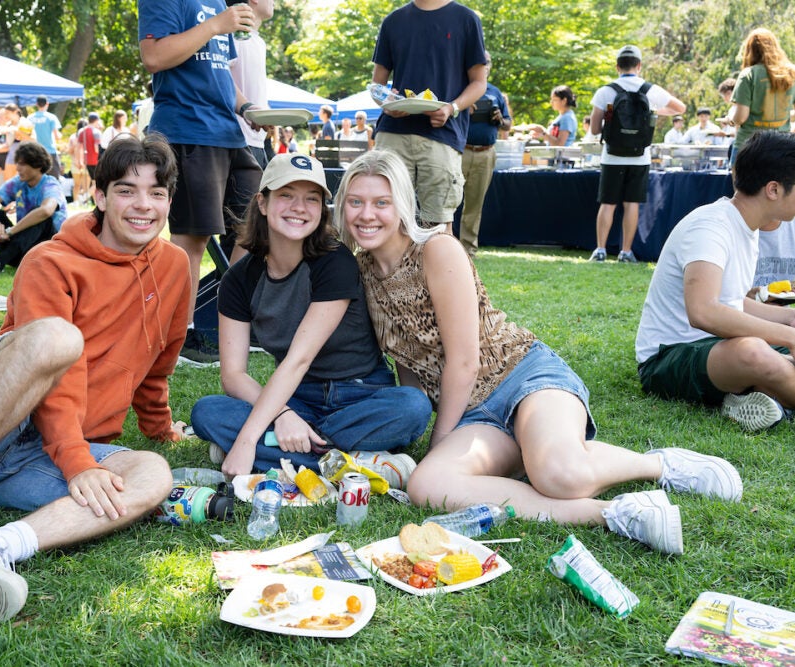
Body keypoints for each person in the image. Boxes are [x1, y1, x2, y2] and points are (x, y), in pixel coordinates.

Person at [336, 149, 743, 556]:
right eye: (356, 202)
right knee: (428, 486)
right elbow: (410, 363)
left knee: (560, 474)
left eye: (380, 202)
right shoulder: (363, 272)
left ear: (402, 205)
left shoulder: (436, 250)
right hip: (474, 416)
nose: (366, 214)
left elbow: (465, 361)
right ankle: (615, 513)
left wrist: (438, 444)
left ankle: (661, 465)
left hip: (522, 377)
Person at [0, 135, 190, 624]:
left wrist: (159, 429)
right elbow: (59, 372)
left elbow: (160, 358)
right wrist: (78, 463)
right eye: (126, 190)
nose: (143, 205)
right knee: (57, 338)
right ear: (98, 195)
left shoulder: (176, 266)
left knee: (154, 475)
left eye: (157, 193)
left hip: (18, 462)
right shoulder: (50, 261)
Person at [191, 153, 431, 477]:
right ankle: (356, 462)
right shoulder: (239, 279)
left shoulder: (335, 262)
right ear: (263, 202)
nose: (299, 208)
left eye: (311, 199)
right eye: (286, 195)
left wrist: (248, 438)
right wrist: (283, 413)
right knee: (208, 412)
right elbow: (233, 375)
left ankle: (280, 451)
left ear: (322, 209)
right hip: (296, 395)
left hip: (361, 394)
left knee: (412, 407)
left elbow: (299, 358)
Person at [636, 131, 795, 431]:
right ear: (773, 189)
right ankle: (770, 390)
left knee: (762, 347)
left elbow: (733, 302)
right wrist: (787, 337)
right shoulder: (710, 227)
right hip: (668, 358)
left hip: (718, 350)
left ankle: (768, 397)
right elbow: (704, 312)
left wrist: (789, 318)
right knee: (753, 352)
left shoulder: (747, 226)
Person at [139, 0, 265, 366]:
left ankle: (231, 324)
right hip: (188, 129)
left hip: (229, 132)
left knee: (256, 225)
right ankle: (181, 336)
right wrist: (215, 25)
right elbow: (154, 57)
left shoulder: (217, 3)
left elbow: (219, 73)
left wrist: (247, 108)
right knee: (191, 240)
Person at [370, 0, 487, 228]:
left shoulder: (466, 19)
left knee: (437, 225)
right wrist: (388, 102)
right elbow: (377, 85)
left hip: (441, 134)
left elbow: (479, 82)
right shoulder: (393, 21)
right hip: (393, 133)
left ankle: (440, 266)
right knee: (385, 219)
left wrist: (451, 108)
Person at [588, 45, 685, 263]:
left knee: (608, 203)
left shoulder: (606, 91)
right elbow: (681, 107)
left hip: (611, 156)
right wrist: (655, 110)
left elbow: (594, 129)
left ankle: (601, 250)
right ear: (639, 66)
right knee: (631, 204)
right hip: (640, 156)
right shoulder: (650, 90)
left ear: (617, 67)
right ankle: (625, 251)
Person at [0, 142, 68, 276]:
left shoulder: (50, 185)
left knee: (43, 219)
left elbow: (46, 210)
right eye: (18, 163)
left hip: (44, 251)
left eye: (22, 164)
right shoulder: (18, 182)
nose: (17, 168)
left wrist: (9, 232)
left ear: (38, 165)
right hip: (19, 248)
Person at [457, 51, 512, 256]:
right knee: (447, 201)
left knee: (474, 204)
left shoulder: (495, 92)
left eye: (486, 62)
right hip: (460, 151)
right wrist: (463, 109)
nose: (483, 65)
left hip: (486, 153)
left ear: (489, 66)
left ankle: (468, 250)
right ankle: (441, 247)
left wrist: (498, 118)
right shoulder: (460, 89)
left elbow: (507, 125)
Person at [725, 28, 795, 163]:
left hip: (749, 146)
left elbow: (741, 117)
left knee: (743, 184)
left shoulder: (748, 74)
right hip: (781, 146)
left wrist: (730, 119)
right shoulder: (791, 74)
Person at [229, 0, 275, 171]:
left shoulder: (259, 42)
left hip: (257, 141)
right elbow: (218, 77)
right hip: (237, 142)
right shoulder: (234, 36)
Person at [28, 96, 64, 179]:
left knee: (36, 179)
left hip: (35, 152)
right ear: (47, 104)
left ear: (36, 104)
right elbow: (57, 136)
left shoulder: (30, 118)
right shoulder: (51, 117)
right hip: (50, 151)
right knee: (53, 178)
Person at [78, 112, 104, 194]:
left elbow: (80, 148)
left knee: (94, 181)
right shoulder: (96, 132)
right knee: (98, 182)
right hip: (96, 160)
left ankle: (93, 200)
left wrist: (80, 160)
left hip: (87, 160)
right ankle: (85, 196)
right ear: (96, 120)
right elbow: (97, 148)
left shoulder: (82, 131)